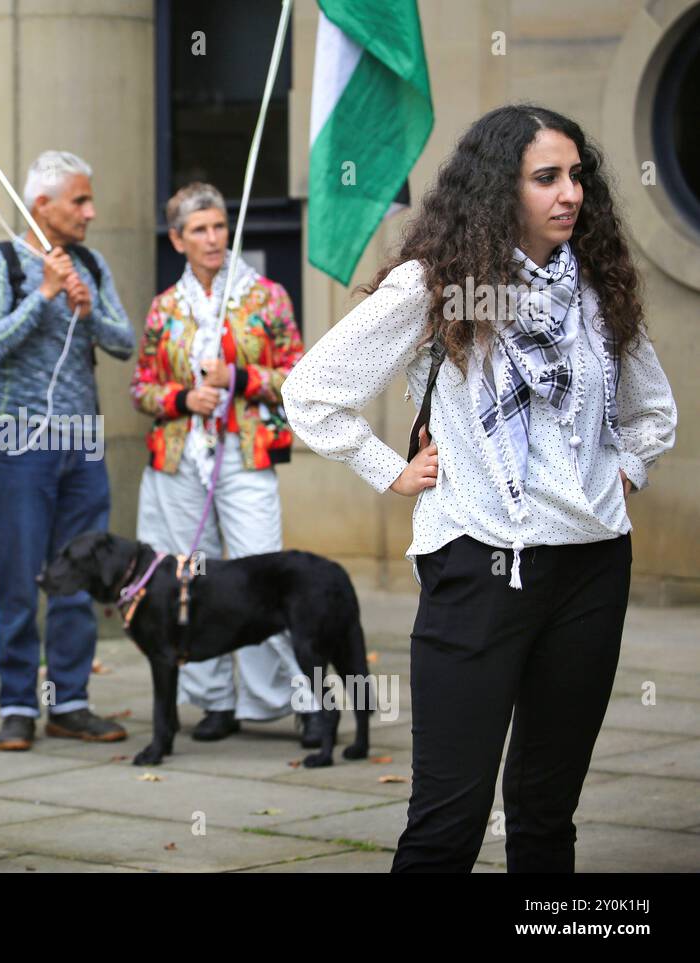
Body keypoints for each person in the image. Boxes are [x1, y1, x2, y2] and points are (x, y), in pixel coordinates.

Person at [281, 104, 677, 872]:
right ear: (500, 188)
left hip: (593, 567)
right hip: (480, 566)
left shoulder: (595, 289)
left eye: (576, 176)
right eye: (546, 178)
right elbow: (312, 390)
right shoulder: (436, 285)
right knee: (446, 825)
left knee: (545, 818)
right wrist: (387, 469)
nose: (570, 194)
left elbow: (651, 409)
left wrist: (625, 467)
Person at [130, 182, 323, 745]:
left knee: (261, 573)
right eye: (199, 230)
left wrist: (238, 378)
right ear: (177, 239)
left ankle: (300, 702)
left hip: (244, 454)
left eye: (219, 226)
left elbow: (301, 376)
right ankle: (214, 700)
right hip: (177, 461)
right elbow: (141, 386)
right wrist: (181, 399)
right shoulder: (165, 308)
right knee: (192, 578)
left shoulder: (266, 296)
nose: (213, 238)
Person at [0, 150, 135, 750]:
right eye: (79, 201)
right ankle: (18, 703)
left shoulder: (90, 263)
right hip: (19, 441)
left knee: (81, 575)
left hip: (82, 442)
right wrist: (41, 294)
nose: (90, 212)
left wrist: (86, 313)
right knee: (20, 577)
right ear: (42, 206)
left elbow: (125, 342)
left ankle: (70, 701)